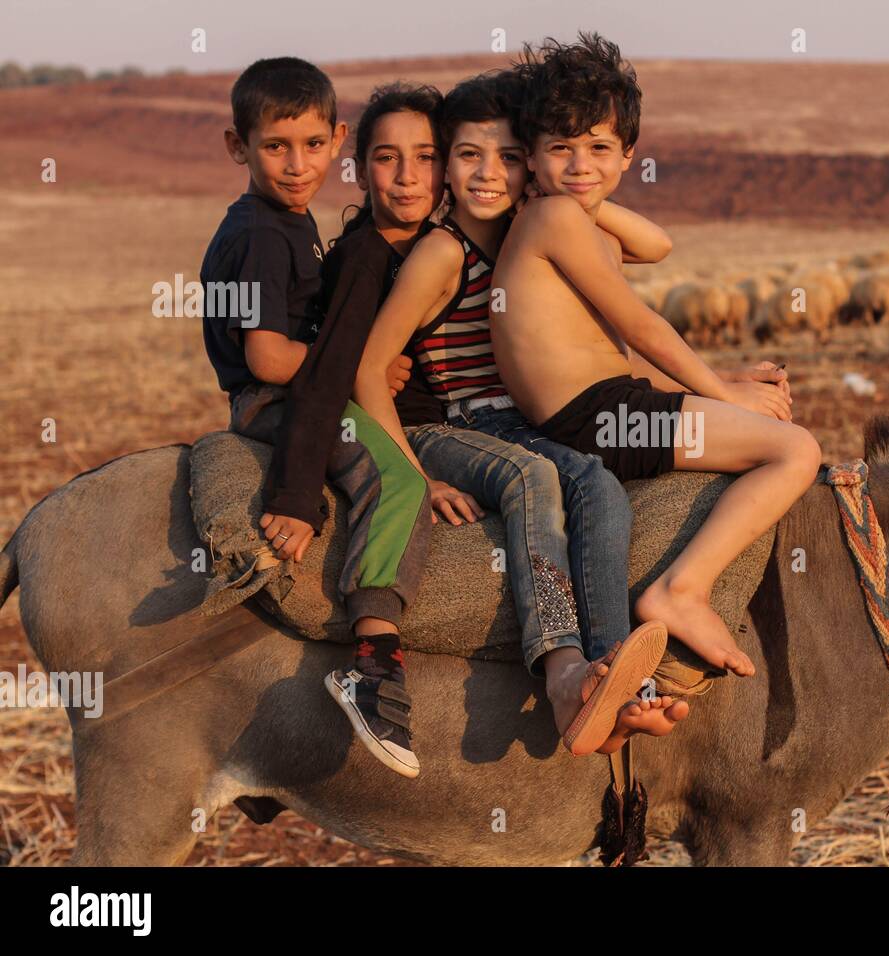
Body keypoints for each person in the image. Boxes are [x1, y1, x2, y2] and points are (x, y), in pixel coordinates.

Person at [350, 71, 679, 757]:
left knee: (598, 482)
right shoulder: (444, 252)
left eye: (506, 156)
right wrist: (416, 475)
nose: (487, 173)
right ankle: (562, 669)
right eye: (468, 155)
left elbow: (654, 246)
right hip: (451, 428)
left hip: (515, 419)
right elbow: (368, 369)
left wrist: (570, 195)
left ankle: (616, 670)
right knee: (534, 480)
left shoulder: (528, 235)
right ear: (446, 164)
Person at [492, 34, 821, 679]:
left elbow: (658, 244)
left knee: (766, 421)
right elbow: (640, 326)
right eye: (560, 149)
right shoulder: (555, 217)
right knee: (796, 450)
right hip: (599, 418)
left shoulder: (570, 216)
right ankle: (681, 589)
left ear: (628, 155)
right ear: (529, 156)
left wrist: (725, 381)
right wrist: (725, 396)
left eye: (599, 149)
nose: (580, 164)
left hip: (609, 405)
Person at [200, 62, 428, 778]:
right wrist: (349, 366)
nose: (297, 165)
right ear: (238, 146)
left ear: (336, 141)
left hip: (291, 389)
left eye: (309, 144)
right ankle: (373, 662)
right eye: (275, 147)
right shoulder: (265, 236)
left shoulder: (286, 220)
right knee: (400, 487)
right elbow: (268, 357)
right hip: (274, 401)